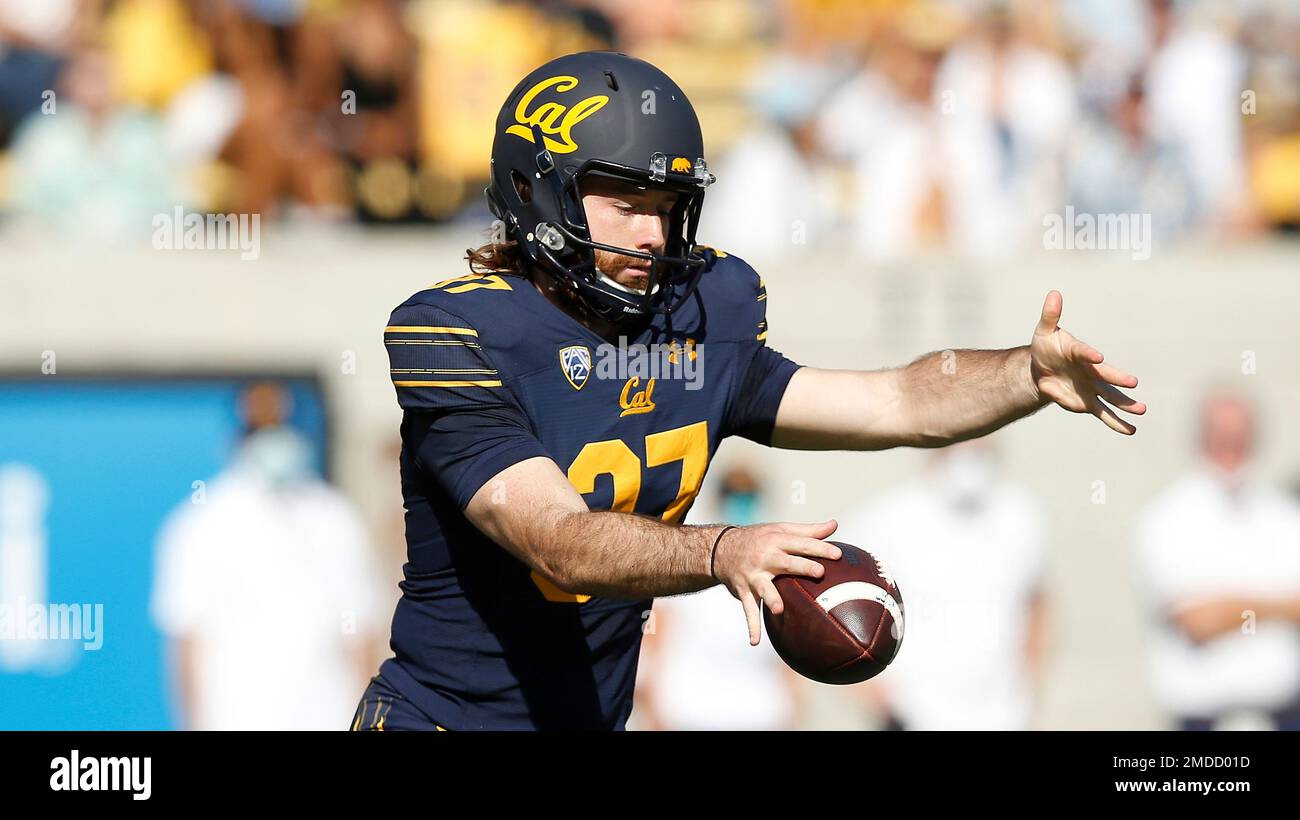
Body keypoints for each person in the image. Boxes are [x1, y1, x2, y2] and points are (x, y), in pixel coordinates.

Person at [355, 50, 1145, 731]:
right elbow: (559, 543)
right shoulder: (460, 334)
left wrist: (1023, 374)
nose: (652, 234)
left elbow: (898, 402)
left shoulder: (696, 323)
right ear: (536, 192)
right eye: (627, 205)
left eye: (667, 208)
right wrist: (722, 550)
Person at [842, 441, 1048, 730]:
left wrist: (1028, 688)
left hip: (1003, 715)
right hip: (913, 713)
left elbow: (1037, 604)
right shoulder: (886, 517)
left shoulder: (1021, 515)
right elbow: (839, 607)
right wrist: (874, 694)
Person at [1135, 388, 1300, 730]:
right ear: (1202, 438)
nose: (1232, 447)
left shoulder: (1284, 513)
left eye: (1240, 437)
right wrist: (1278, 606)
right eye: (1222, 437)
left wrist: (1229, 606)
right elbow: (1198, 621)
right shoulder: (1167, 518)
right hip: (1201, 718)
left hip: (1284, 713)